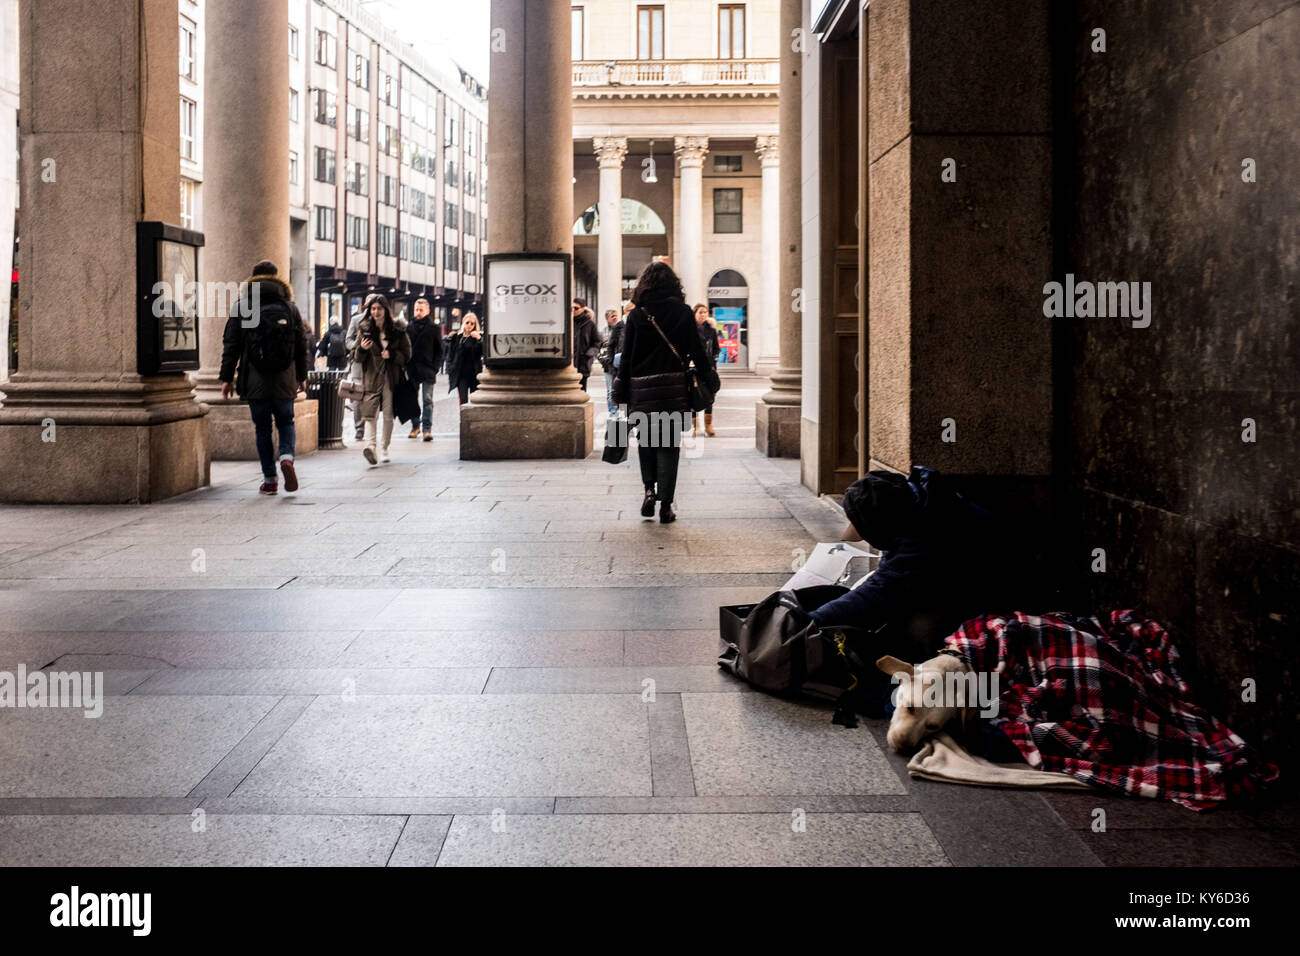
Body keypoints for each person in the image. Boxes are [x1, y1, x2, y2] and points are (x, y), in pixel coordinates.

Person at [612, 261, 719, 524]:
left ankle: (649, 491)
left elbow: (626, 357)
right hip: (673, 389)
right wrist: (709, 377)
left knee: (647, 443)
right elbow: (697, 351)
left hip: (642, 389)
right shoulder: (683, 312)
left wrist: (620, 387)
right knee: (669, 445)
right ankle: (666, 506)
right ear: (674, 284)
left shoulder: (637, 315)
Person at [219, 259, 308, 496]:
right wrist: (302, 375)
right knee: (286, 422)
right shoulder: (290, 307)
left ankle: (270, 480)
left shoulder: (244, 306)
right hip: (284, 378)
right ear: (277, 278)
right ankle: (287, 457)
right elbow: (301, 345)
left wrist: (226, 378)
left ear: (252, 279)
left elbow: (231, 344)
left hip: (255, 378)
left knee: (262, 429)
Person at [351, 292, 411, 465]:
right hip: (372, 376)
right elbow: (356, 356)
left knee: (388, 414)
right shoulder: (364, 328)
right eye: (373, 308)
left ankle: (384, 447)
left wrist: (391, 355)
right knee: (370, 413)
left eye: (379, 308)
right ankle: (371, 447)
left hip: (391, 378)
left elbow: (407, 354)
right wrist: (362, 348)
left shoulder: (398, 330)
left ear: (386, 310)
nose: (376, 312)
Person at [406, 297, 443, 441]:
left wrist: (435, 368)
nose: (418, 312)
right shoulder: (408, 327)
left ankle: (427, 429)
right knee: (412, 400)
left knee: (427, 400)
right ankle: (415, 427)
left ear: (427, 311)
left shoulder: (434, 328)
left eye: (421, 310)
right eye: (416, 309)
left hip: (428, 369)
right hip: (412, 369)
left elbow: (439, 350)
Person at [692, 303, 721, 436]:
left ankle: (708, 425)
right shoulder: (689, 329)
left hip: (709, 367)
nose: (703, 315)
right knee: (694, 394)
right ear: (695, 314)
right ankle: (695, 426)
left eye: (705, 312)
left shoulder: (711, 330)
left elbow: (716, 348)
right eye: (700, 312)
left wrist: (713, 359)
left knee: (710, 395)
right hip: (693, 367)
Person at [445, 312, 483, 404]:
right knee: (463, 400)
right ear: (463, 322)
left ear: (475, 325)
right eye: (467, 322)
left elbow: (480, 353)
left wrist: (479, 339)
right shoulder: (458, 337)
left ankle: (473, 418)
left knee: (475, 400)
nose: (469, 325)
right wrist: (450, 368)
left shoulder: (477, 337)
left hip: (474, 374)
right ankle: (464, 418)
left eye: (472, 323)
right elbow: (451, 354)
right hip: (461, 374)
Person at [600, 308, 625, 416]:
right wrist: (604, 360)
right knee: (610, 390)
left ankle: (621, 410)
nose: (615, 317)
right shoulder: (602, 332)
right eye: (612, 316)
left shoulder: (622, 328)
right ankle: (613, 412)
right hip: (608, 366)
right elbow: (598, 348)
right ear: (607, 318)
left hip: (619, 364)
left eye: (616, 315)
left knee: (619, 388)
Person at [573, 305, 599, 392]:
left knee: (582, 390)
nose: (573, 310)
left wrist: (588, 354)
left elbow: (597, 342)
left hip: (583, 362)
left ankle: (623, 406)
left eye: (576, 308)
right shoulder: (569, 322)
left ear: (582, 309)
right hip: (570, 363)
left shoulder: (590, 324)